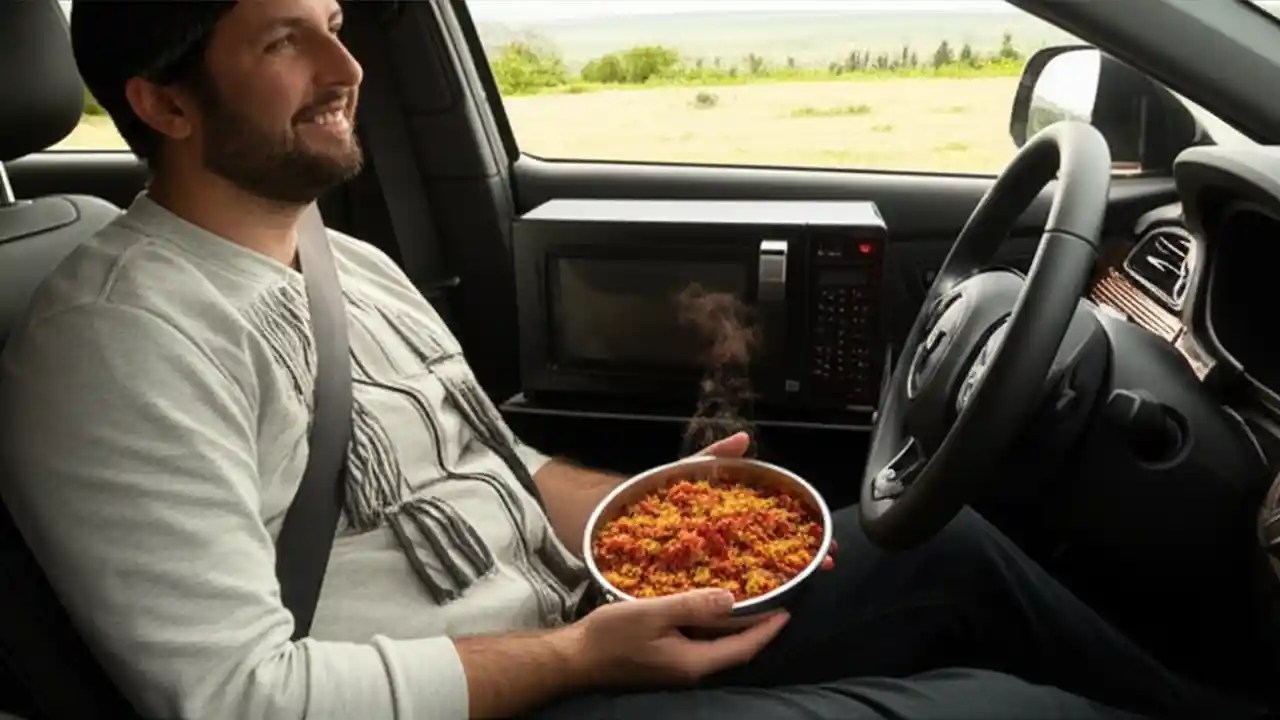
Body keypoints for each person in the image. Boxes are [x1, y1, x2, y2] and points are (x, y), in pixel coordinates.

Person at [0, 1, 1265, 719]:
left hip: (576, 628)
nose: (345, 67)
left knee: (941, 543)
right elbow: (233, 700)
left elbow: (497, 461)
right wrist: (578, 657)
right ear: (162, 104)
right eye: (286, 40)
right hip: (507, 699)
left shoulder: (346, 263)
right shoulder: (121, 343)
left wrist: (643, 511)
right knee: (1011, 713)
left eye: (334, 22)